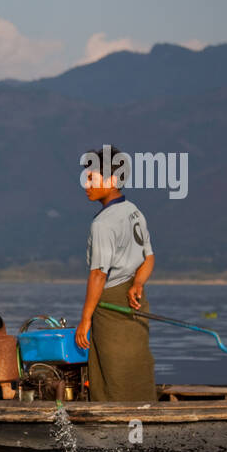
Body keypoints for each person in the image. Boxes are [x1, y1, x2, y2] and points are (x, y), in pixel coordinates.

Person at [73, 145, 156, 402]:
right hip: (136, 302)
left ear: (111, 180)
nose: (86, 184)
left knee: (111, 372)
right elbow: (148, 258)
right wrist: (138, 285)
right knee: (136, 364)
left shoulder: (103, 223)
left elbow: (98, 274)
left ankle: (114, 422)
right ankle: (144, 413)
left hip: (111, 305)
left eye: (92, 178)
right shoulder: (133, 211)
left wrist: (85, 319)